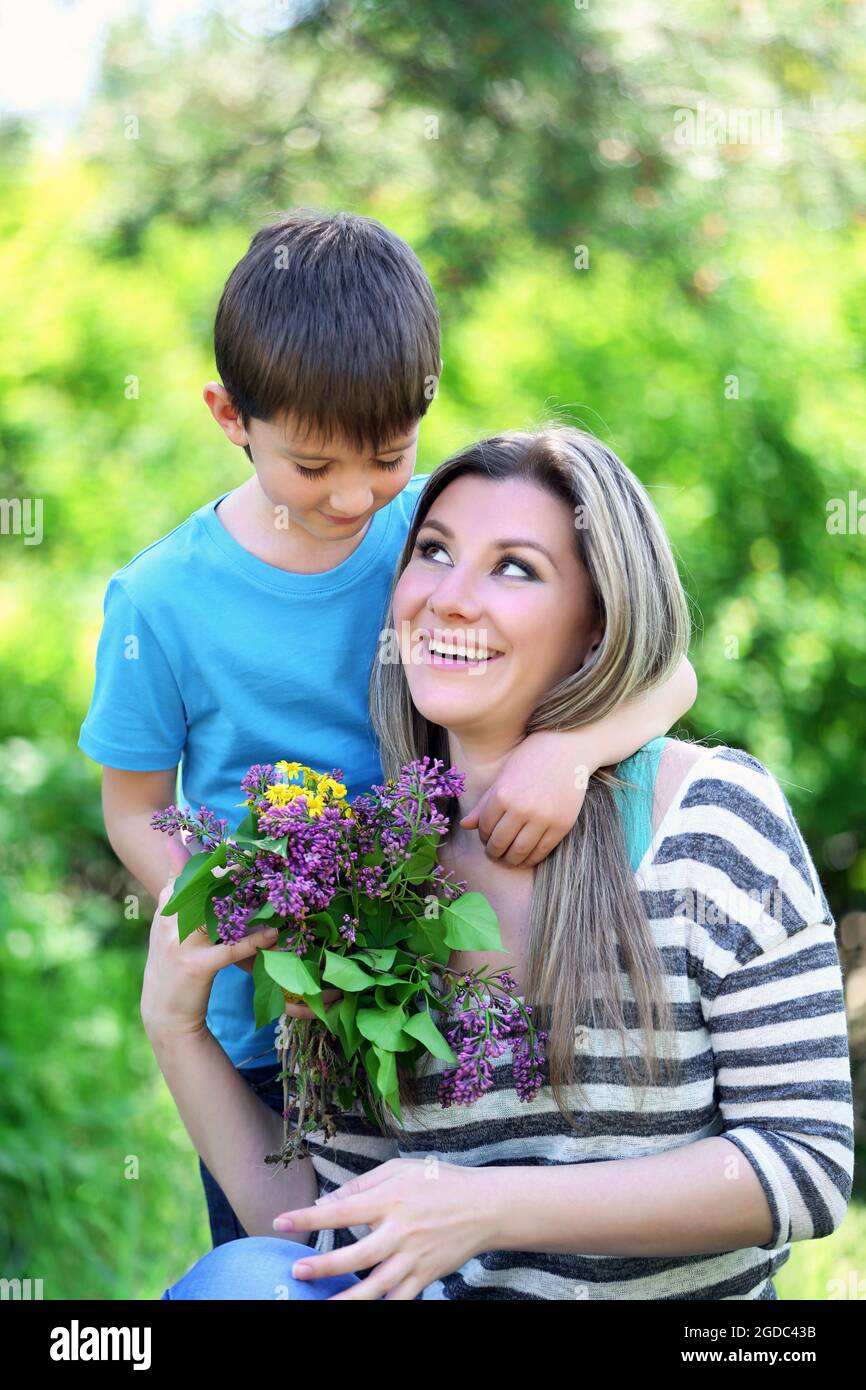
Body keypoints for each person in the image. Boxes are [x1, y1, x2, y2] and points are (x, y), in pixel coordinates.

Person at [78, 211, 697, 1252]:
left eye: (387, 454)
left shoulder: (442, 538)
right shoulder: (161, 600)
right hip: (277, 1028)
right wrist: (244, 926)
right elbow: (136, 808)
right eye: (311, 466)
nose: (354, 496)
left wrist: (569, 747)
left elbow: (668, 670)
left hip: (453, 993)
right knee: (288, 1263)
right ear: (229, 414)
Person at [148, 426, 854, 1300]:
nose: (449, 598)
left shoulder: (706, 821)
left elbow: (807, 1160)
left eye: (515, 567)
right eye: (435, 552)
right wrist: (177, 1033)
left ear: (596, 622)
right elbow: (328, 1234)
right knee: (241, 1288)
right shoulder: (359, 882)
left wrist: (489, 1207)